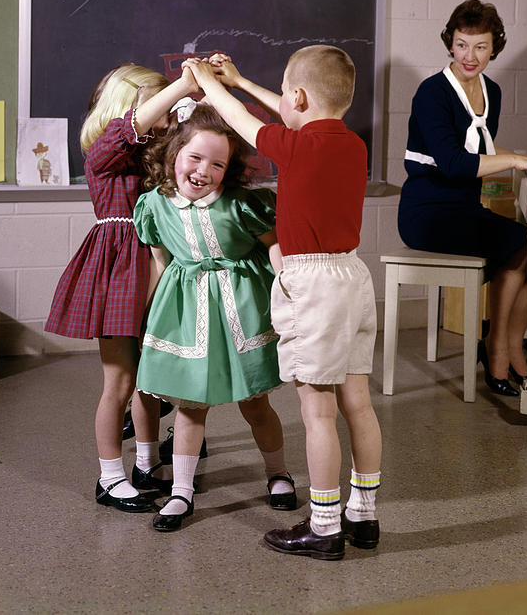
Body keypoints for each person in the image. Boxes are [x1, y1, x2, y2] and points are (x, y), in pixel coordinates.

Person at [187, 46, 382, 562]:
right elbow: (291, 109)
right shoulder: (353, 145)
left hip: (313, 282)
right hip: (353, 275)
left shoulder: (295, 146)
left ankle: (322, 526)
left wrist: (210, 83)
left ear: (297, 97)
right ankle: (363, 517)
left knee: (316, 413)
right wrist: (244, 78)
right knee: (357, 403)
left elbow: (241, 122)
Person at [133, 100, 296, 533]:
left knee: (255, 402)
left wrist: (285, 286)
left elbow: (274, 242)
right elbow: (160, 263)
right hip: (187, 313)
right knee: (190, 406)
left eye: (217, 164)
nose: (204, 170)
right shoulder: (154, 205)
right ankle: (181, 492)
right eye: (195, 157)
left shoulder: (243, 205)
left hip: (240, 309)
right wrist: (150, 316)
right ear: (173, 156)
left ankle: (278, 473)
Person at [45, 62, 200, 512]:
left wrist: (199, 99)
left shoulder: (149, 152)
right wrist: (179, 87)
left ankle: (147, 465)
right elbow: (129, 128)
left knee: (149, 382)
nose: (168, 116)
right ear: (134, 103)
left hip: (155, 266)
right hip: (117, 271)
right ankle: (110, 478)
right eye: (162, 105)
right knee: (120, 381)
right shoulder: (106, 148)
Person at [398, 0, 527, 396]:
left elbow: (481, 146)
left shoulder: (493, 91)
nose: (471, 56)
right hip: (427, 212)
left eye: (480, 46)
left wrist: (524, 157)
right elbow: (453, 163)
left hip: (465, 208)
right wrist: (515, 160)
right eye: (462, 44)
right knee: (518, 245)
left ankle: (510, 342)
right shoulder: (431, 93)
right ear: (450, 43)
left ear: (494, 47)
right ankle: (496, 347)